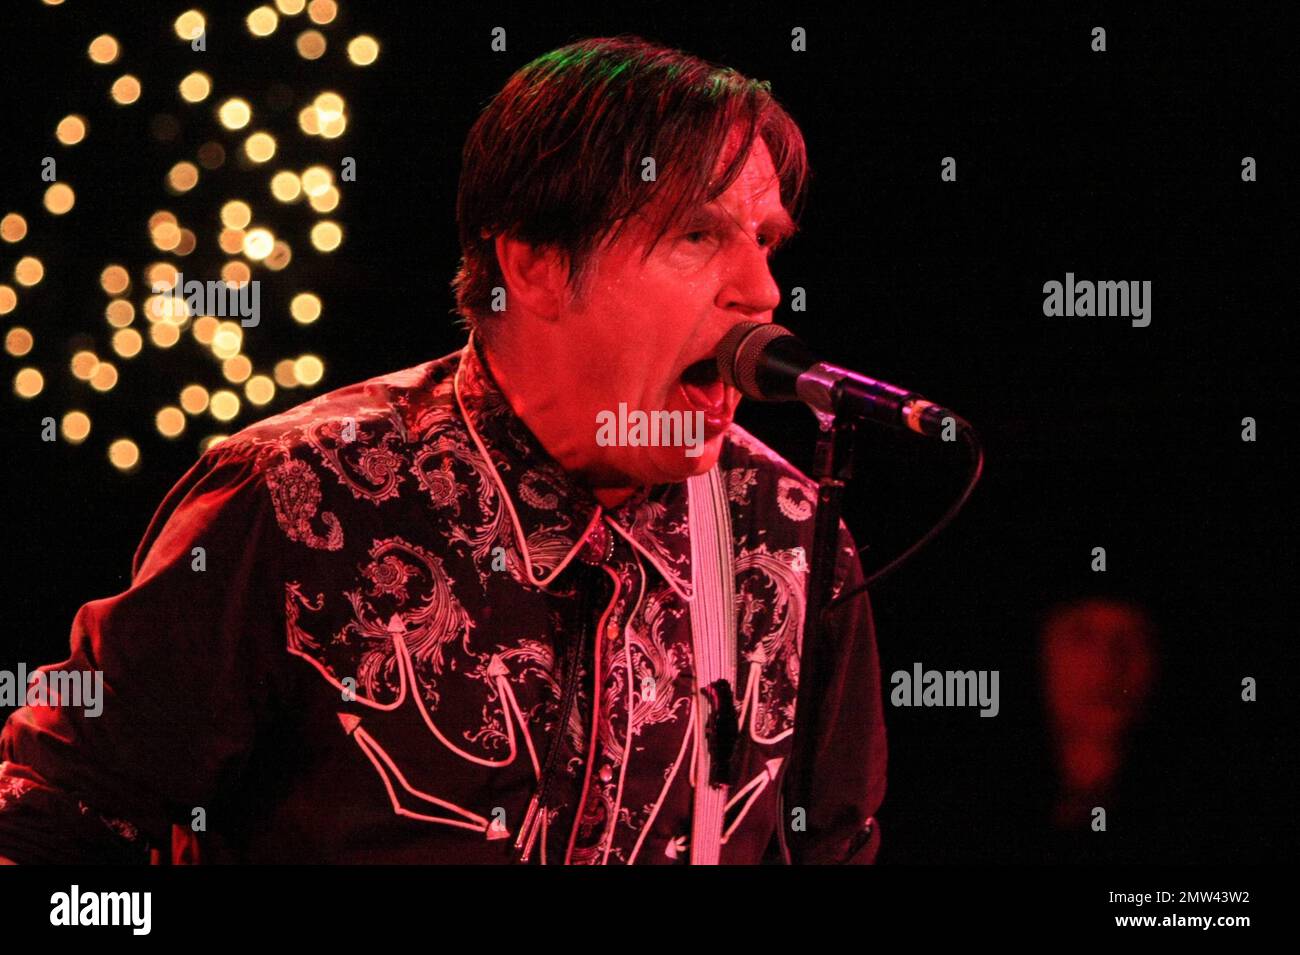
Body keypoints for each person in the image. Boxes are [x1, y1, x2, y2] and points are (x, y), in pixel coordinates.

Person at [0, 35, 887, 864]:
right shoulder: (303, 494)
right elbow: (61, 824)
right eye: (699, 234)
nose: (763, 288)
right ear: (536, 263)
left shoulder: (790, 531)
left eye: (766, 242)